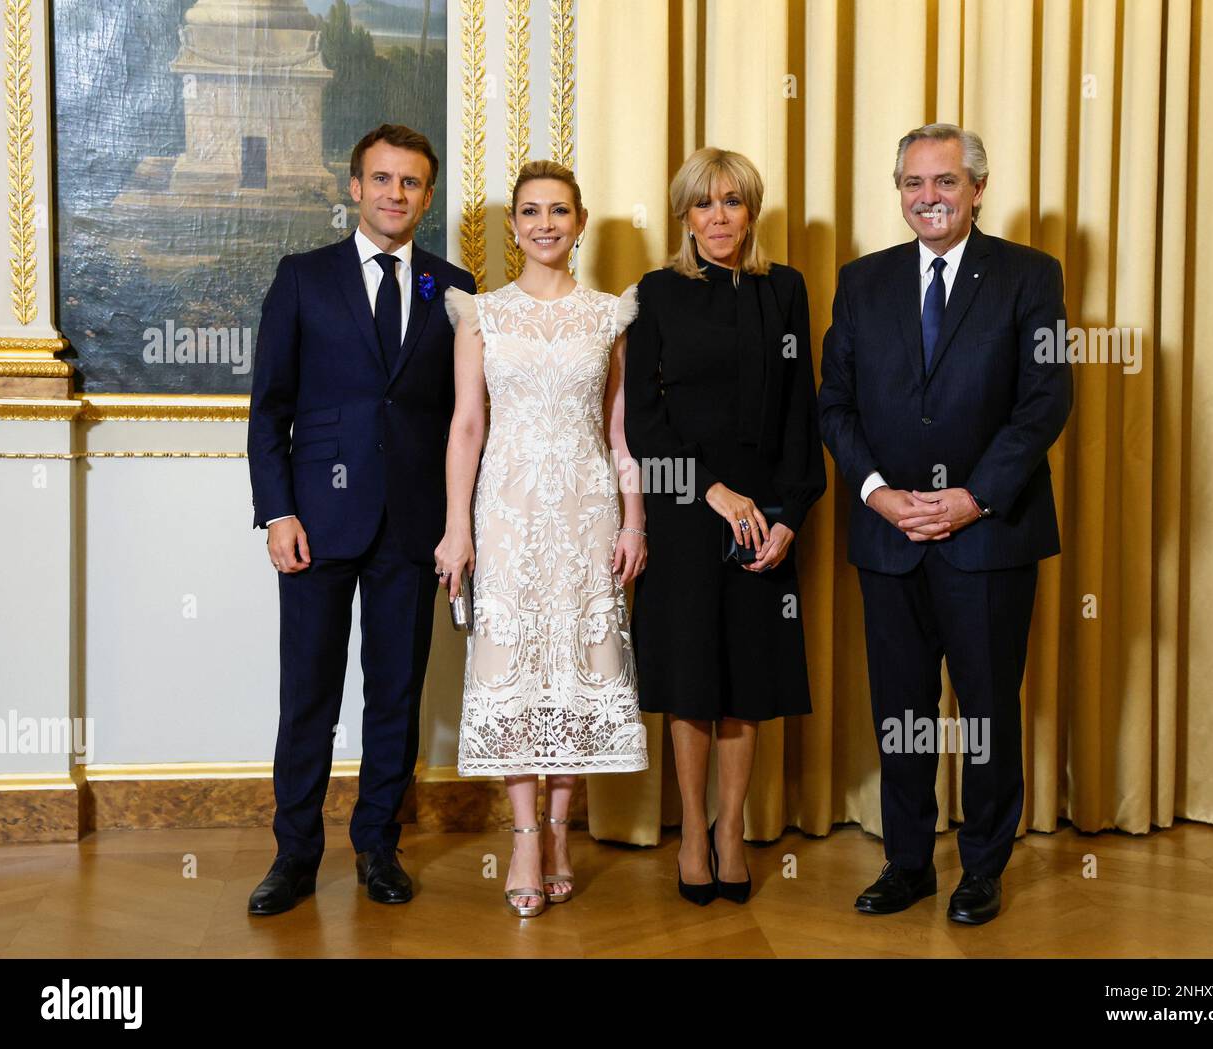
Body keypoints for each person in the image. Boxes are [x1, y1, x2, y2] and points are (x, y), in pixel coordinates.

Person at [818, 123, 1073, 925]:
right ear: (899, 191)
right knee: (902, 708)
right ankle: (907, 861)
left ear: (976, 189)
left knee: (988, 708)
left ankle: (983, 868)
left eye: (944, 182)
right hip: (889, 535)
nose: (926, 197)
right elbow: (836, 404)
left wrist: (972, 498)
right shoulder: (861, 282)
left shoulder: (1031, 276)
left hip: (989, 535)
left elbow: (1044, 402)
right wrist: (875, 493)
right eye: (912, 184)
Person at [246, 124, 476, 915]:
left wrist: (459, 523)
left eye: (410, 183)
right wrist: (277, 512)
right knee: (308, 694)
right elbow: (269, 408)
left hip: (412, 530)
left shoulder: (453, 287)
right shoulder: (304, 279)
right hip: (316, 524)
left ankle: (379, 846)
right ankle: (295, 856)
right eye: (381, 179)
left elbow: (463, 421)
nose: (394, 194)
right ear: (354, 187)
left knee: (395, 695)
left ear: (426, 196)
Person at [435, 160, 649, 918]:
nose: (546, 223)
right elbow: (467, 425)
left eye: (559, 210)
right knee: (515, 674)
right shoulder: (481, 313)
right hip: (508, 512)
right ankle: (525, 835)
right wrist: (457, 527)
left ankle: (560, 832)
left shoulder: (609, 315)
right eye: (531, 211)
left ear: (581, 221)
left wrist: (634, 518)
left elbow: (621, 431)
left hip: (588, 513)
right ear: (515, 225)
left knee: (578, 669)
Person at [624, 147, 826, 906]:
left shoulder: (786, 290)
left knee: (747, 678)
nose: (719, 218)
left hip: (764, 518)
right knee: (692, 678)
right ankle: (689, 836)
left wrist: (790, 516)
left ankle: (732, 830)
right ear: (684, 215)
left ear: (752, 210)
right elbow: (643, 418)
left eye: (733, 202)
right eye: (704, 204)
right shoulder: (656, 292)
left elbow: (802, 414)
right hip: (684, 512)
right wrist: (708, 491)